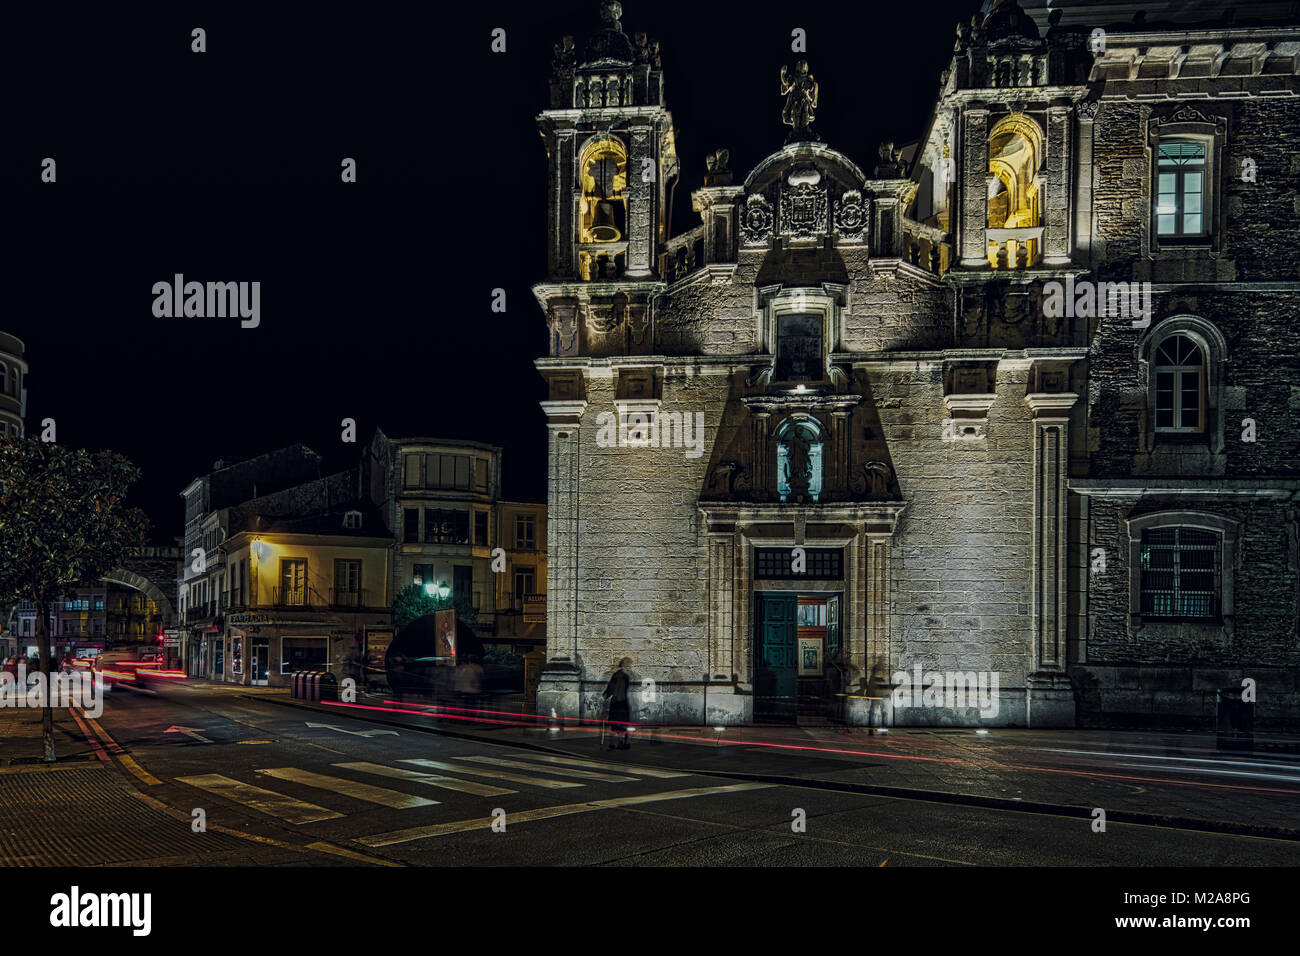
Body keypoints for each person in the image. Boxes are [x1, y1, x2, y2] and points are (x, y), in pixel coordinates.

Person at [602, 658, 632, 750]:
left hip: (616, 702)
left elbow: (610, 689)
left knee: (614, 725)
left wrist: (606, 695)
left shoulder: (617, 675)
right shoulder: (622, 676)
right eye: (629, 665)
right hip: (620, 703)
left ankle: (614, 742)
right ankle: (620, 742)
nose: (630, 667)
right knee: (620, 725)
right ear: (624, 665)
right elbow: (620, 690)